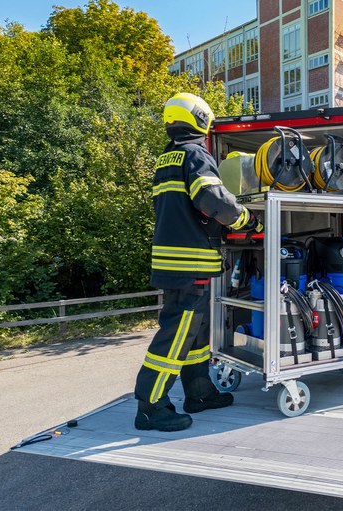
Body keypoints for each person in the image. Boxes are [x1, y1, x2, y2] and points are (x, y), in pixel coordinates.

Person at [134, 92, 263, 432]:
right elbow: (211, 198)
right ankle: (150, 406)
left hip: (179, 262)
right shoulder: (194, 154)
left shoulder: (168, 158)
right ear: (201, 120)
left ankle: (199, 392)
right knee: (176, 335)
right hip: (189, 264)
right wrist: (247, 220)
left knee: (195, 335)